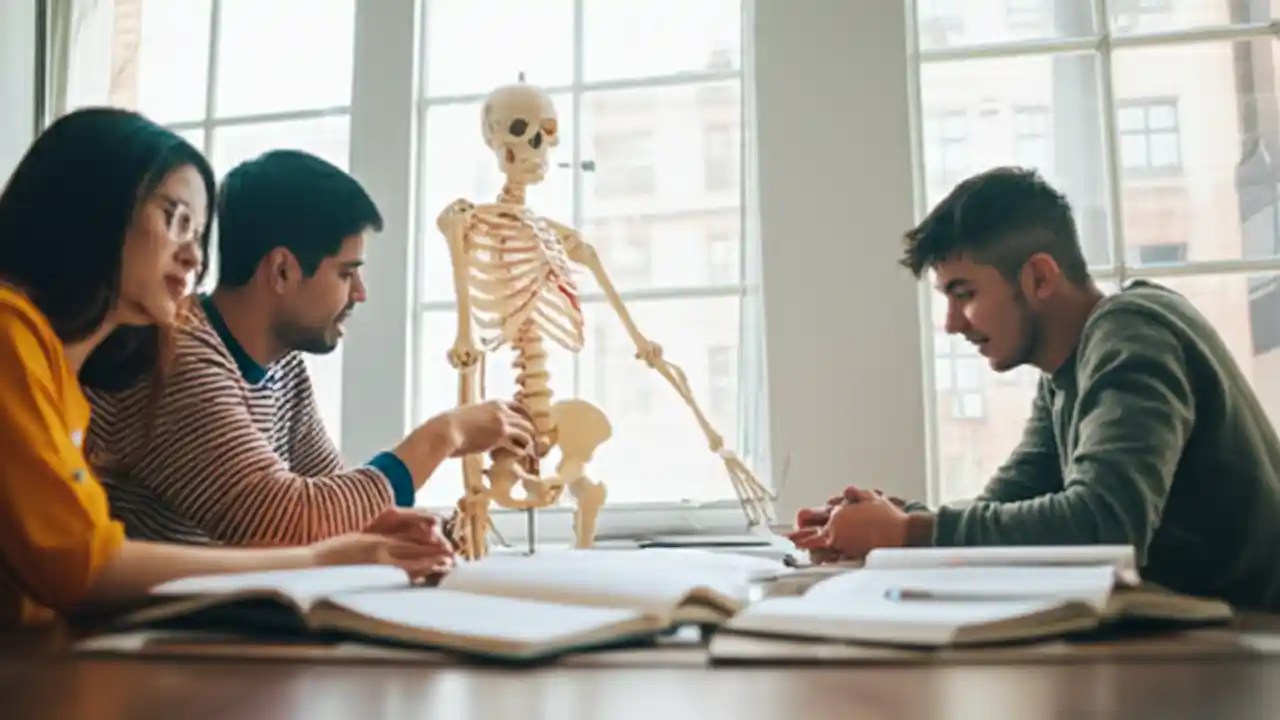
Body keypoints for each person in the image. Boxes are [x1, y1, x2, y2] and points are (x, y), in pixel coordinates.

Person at [0, 108, 453, 628]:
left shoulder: (64, 383)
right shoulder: (12, 336)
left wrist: (377, 538)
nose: (193, 257)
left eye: (198, 234)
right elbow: (85, 564)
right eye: (175, 220)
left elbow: (329, 500)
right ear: (92, 209)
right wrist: (441, 439)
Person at [789, 166, 1280, 611]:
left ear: (1039, 277)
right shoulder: (1065, 372)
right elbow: (1003, 509)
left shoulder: (1133, 333)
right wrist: (897, 518)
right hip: (1204, 637)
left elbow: (1103, 525)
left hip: (1251, 645)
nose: (952, 324)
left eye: (966, 294)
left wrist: (909, 533)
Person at [85, 149, 535, 546]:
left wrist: (418, 528)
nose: (360, 292)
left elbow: (338, 504)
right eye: (345, 273)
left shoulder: (284, 370)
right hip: (138, 632)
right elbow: (291, 517)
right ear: (282, 271)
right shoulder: (180, 356)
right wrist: (444, 435)